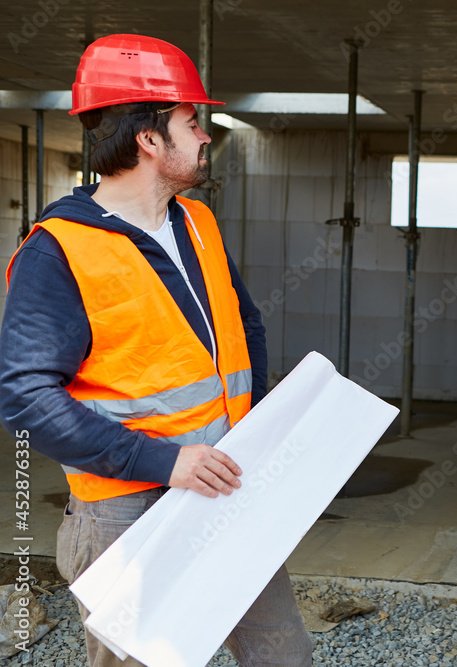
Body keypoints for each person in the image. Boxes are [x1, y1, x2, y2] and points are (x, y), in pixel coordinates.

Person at [0, 34, 312, 666]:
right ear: (148, 139)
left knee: (283, 656)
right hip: (126, 511)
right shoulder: (59, 249)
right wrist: (163, 462)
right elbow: (24, 396)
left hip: (224, 484)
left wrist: (258, 428)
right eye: (191, 122)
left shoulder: (198, 222)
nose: (204, 136)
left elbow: (242, 327)